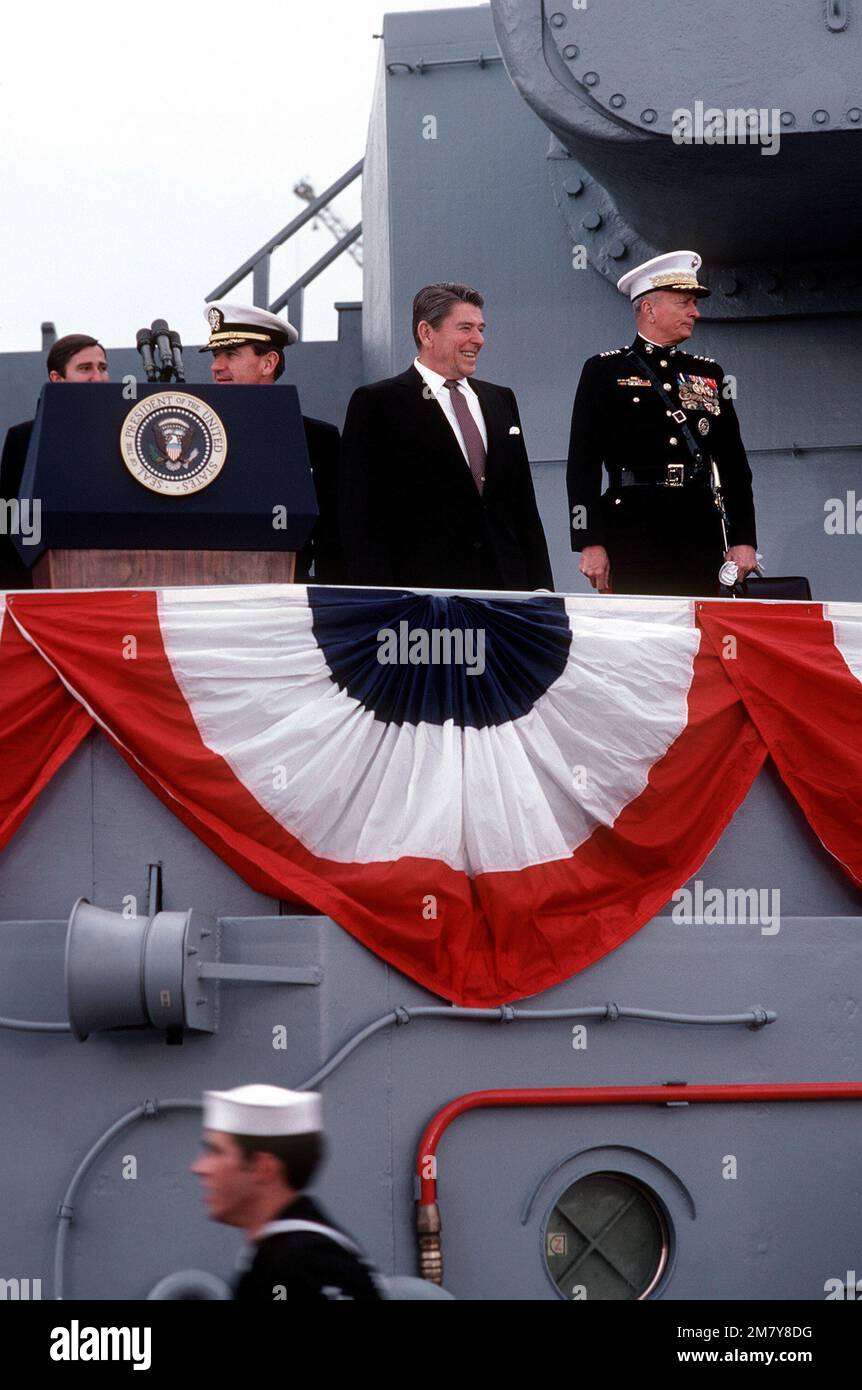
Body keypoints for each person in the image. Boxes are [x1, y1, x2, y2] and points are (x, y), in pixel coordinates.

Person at [339, 281, 554, 590]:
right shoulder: (378, 403)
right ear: (427, 333)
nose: (478, 339)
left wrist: (542, 590)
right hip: (423, 598)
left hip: (508, 593)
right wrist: (379, 601)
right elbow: (360, 515)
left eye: (481, 328)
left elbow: (523, 508)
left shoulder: (500, 399)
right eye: (465, 328)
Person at [566, 251, 757, 597]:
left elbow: (733, 466)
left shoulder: (708, 373)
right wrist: (588, 541)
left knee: (698, 639)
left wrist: (744, 539)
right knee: (639, 641)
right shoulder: (604, 371)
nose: (695, 312)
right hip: (632, 533)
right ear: (649, 309)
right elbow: (582, 465)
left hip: (698, 530)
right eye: (685, 303)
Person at [191, 1083, 382, 1301]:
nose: (199, 1168)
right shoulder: (285, 1257)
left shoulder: (302, 1264)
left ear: (264, 1169)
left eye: (216, 1152)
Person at [200, 301, 343, 583]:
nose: (217, 366)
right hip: (206, 592)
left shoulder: (316, 439)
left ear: (269, 362)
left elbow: (333, 535)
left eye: (230, 354)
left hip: (288, 594)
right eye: (216, 355)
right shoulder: (197, 433)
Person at [0, 334, 109, 590]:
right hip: (43, 589)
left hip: (119, 583)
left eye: (102, 368)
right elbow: (7, 524)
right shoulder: (24, 439)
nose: (98, 377)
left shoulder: (125, 436)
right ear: (56, 379)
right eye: (85, 368)